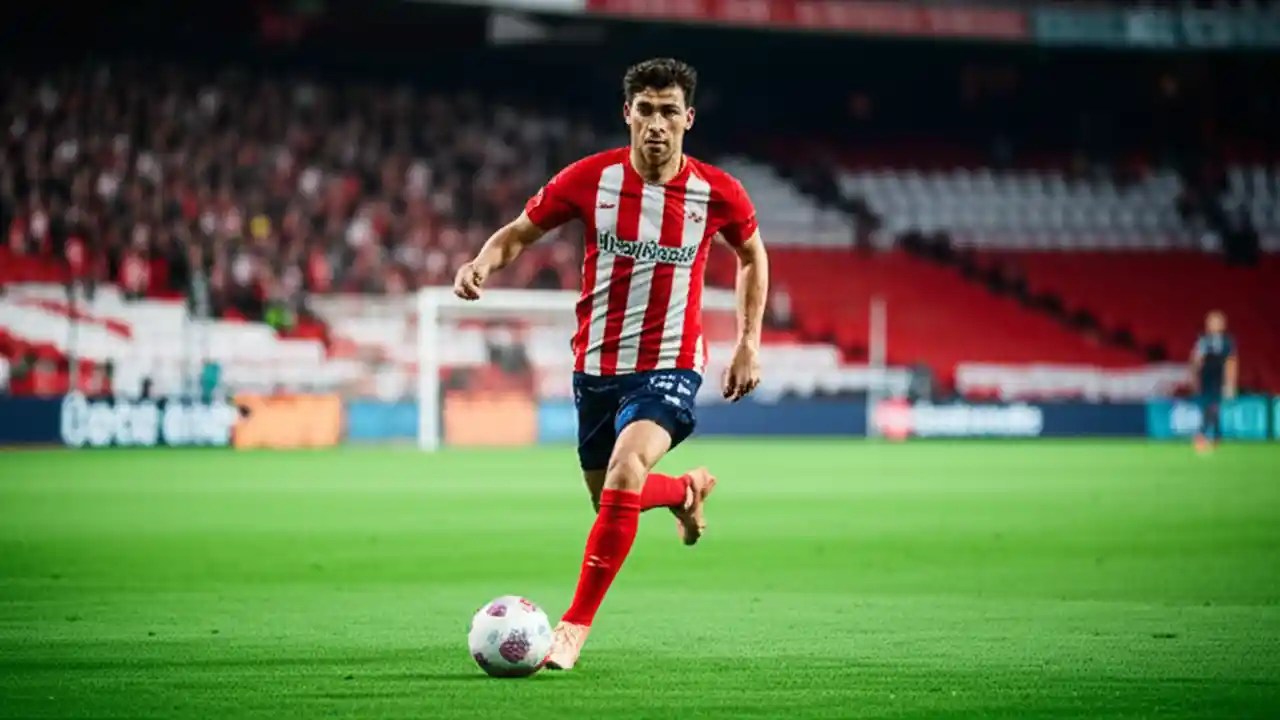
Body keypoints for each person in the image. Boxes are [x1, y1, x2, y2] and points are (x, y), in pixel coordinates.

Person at [452, 57, 768, 670]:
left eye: (668, 111)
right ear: (627, 114)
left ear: (688, 119)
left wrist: (748, 342)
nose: (656, 124)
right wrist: (481, 265)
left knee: (625, 469)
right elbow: (518, 232)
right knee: (610, 498)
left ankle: (572, 629)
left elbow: (754, 257)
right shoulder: (590, 180)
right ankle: (684, 489)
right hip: (596, 366)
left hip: (671, 364)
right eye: (645, 110)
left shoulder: (718, 192)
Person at [1190, 310, 1237, 452]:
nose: (1214, 324)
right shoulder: (1203, 340)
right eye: (1212, 321)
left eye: (1218, 321)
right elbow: (1196, 359)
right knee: (1208, 407)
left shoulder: (1228, 341)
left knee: (1215, 408)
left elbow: (1231, 362)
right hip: (1206, 378)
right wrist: (1194, 378)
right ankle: (1206, 436)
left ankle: (1212, 436)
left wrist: (1230, 384)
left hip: (1219, 379)